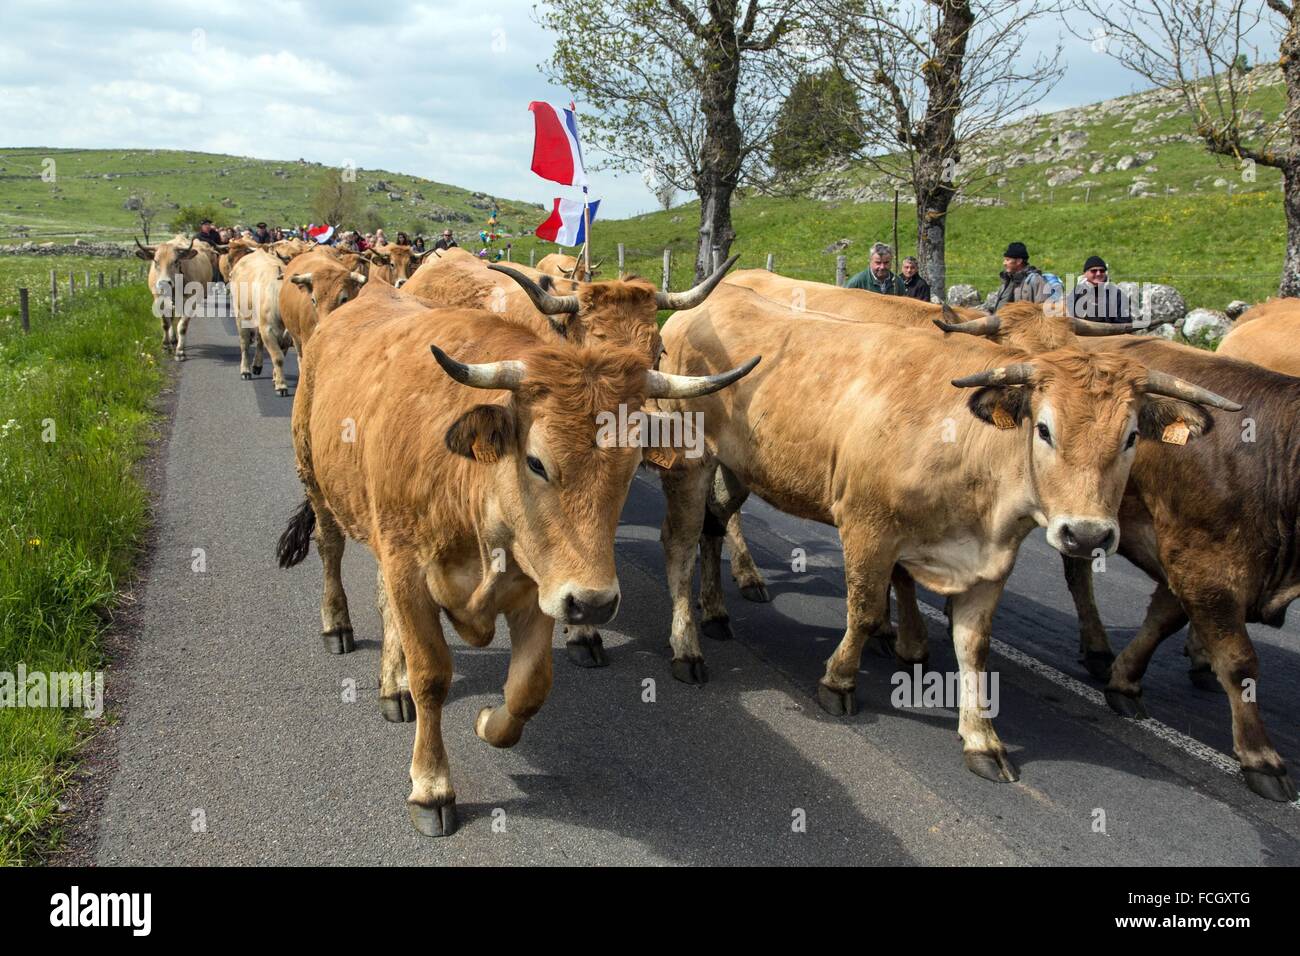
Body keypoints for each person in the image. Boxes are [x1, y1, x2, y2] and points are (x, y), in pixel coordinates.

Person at [1069, 255, 1132, 323]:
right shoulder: (1076, 292)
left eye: (1102, 271)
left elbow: (1125, 321)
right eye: (1094, 271)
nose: (1098, 273)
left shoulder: (1117, 294)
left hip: (1109, 332)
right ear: (1085, 273)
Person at [992, 242, 1049, 310]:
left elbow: (1043, 309)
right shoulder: (1008, 280)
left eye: (1007, 260)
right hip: (1000, 318)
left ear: (1019, 261)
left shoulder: (1036, 280)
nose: (1004, 263)